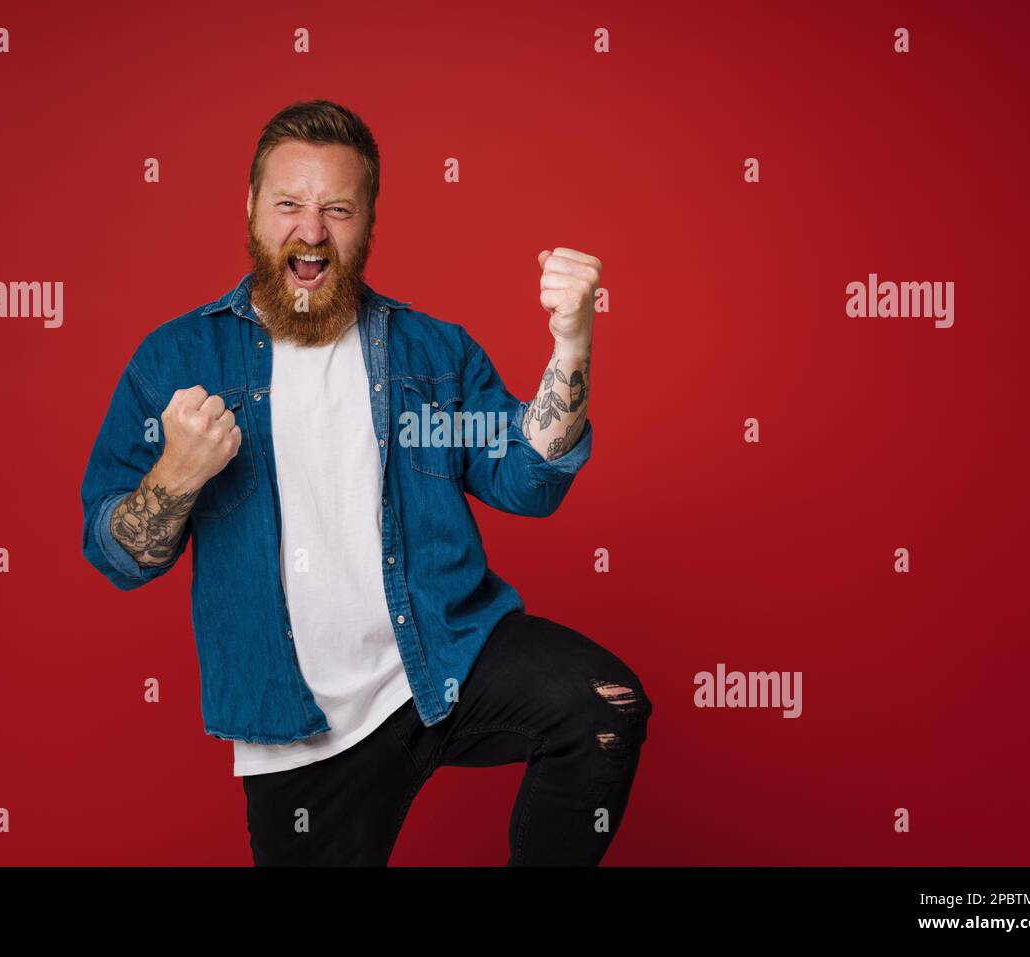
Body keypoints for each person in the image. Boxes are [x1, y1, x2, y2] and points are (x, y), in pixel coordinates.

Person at [79, 99, 653, 865]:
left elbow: (527, 477)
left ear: (369, 222)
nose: (311, 230)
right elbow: (117, 554)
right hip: (301, 732)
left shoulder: (430, 353)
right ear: (251, 209)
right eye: (289, 203)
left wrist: (572, 345)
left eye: (338, 209)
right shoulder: (177, 359)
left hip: (442, 665)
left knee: (601, 705)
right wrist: (176, 477)